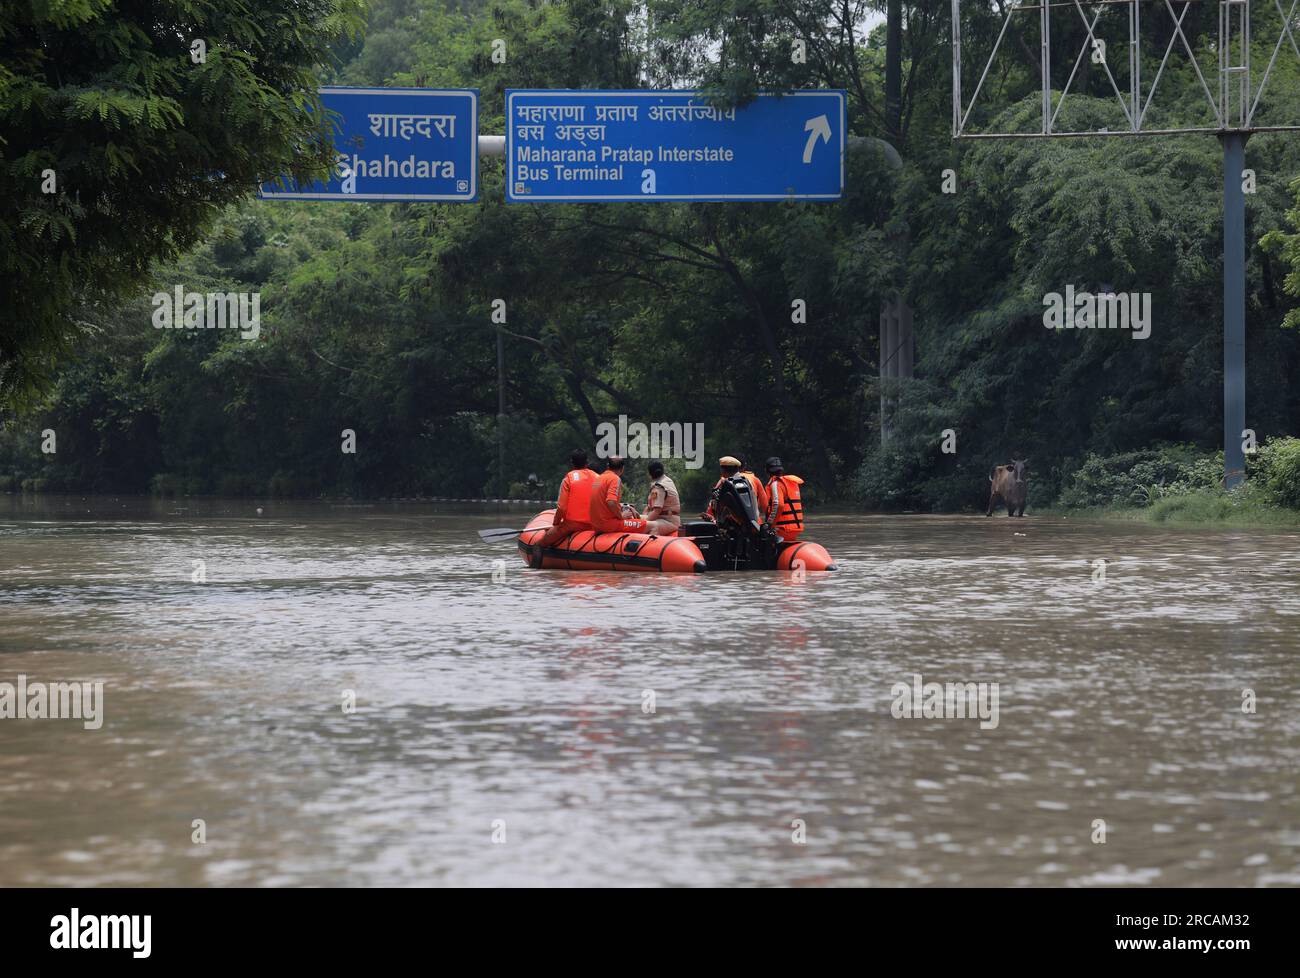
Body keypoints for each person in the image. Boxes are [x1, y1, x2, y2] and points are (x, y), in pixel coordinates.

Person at [540, 449, 597, 547]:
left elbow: (562, 508)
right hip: (594, 525)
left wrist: (556, 524)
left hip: (572, 525)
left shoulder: (568, 480)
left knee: (538, 545)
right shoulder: (598, 477)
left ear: (572, 463)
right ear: (587, 462)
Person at [588, 456, 647, 534]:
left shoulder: (599, 478)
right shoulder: (615, 478)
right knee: (653, 525)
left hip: (596, 526)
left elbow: (603, 503)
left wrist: (623, 507)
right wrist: (621, 516)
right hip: (608, 525)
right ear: (622, 469)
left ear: (608, 466)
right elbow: (611, 502)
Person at [705, 455, 767, 522]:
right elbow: (765, 506)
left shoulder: (723, 482)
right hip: (755, 524)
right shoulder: (753, 479)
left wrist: (710, 518)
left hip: (732, 526)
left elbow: (712, 509)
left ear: (723, 471)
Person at [762, 456, 805, 542]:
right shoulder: (792, 483)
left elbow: (779, 505)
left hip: (782, 529)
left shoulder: (775, 484)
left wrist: (769, 524)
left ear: (767, 471)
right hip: (795, 528)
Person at [640, 459, 681, 536]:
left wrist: (643, 522)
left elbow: (657, 511)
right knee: (633, 520)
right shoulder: (667, 480)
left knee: (641, 526)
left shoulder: (659, 486)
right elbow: (649, 507)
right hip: (664, 519)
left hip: (668, 521)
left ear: (650, 474)